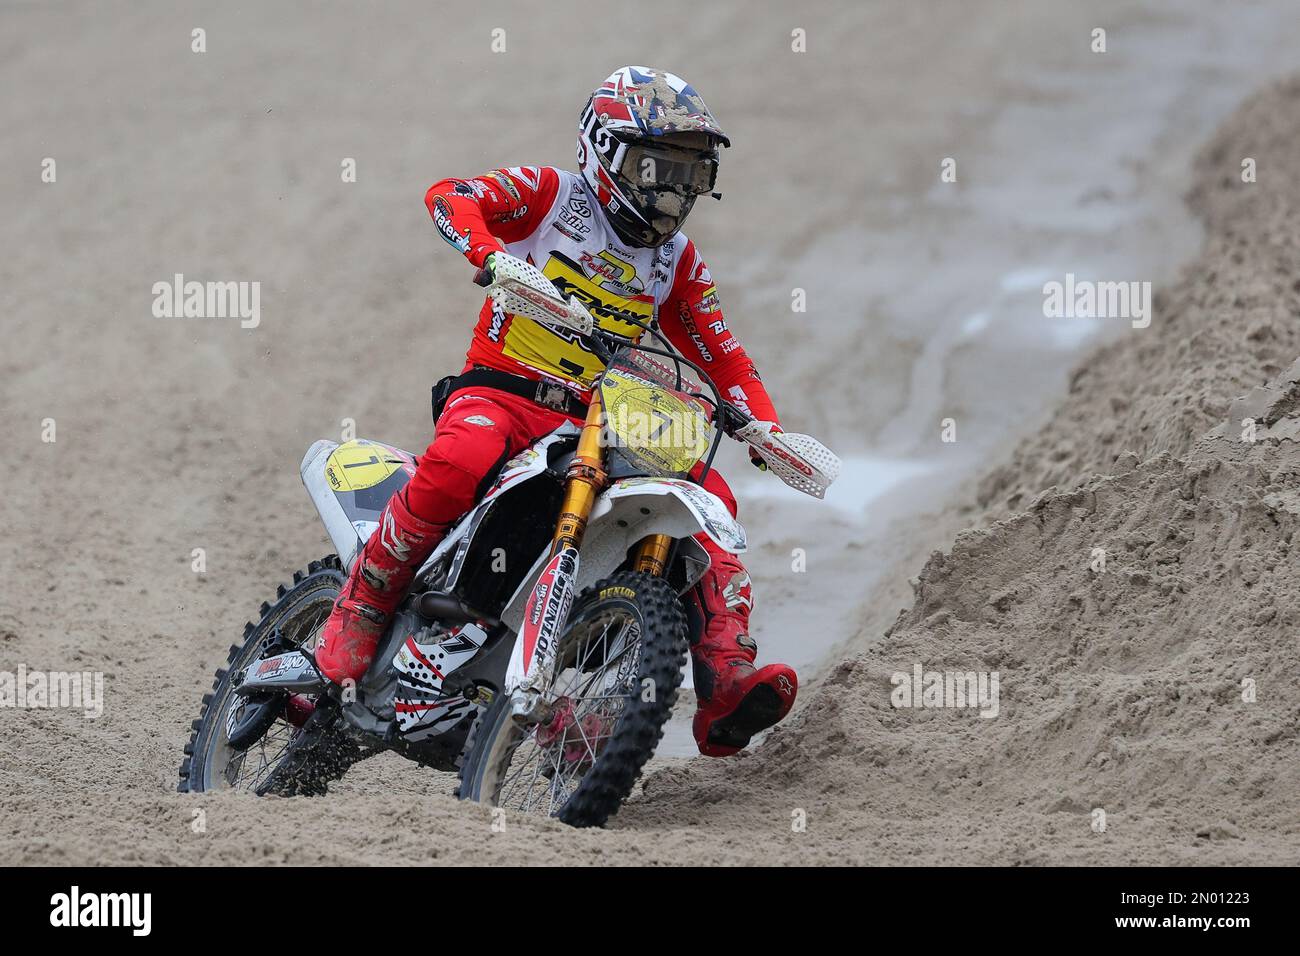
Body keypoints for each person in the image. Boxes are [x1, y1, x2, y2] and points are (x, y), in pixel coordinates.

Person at [315, 66, 797, 756]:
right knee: (462, 456)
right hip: (505, 390)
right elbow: (451, 195)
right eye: (657, 166)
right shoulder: (552, 197)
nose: (671, 190)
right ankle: (362, 602)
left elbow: (726, 357)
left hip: (601, 416)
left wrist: (765, 428)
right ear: (604, 150)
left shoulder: (677, 260)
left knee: (710, 491)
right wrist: (494, 257)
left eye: (690, 174)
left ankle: (725, 676)